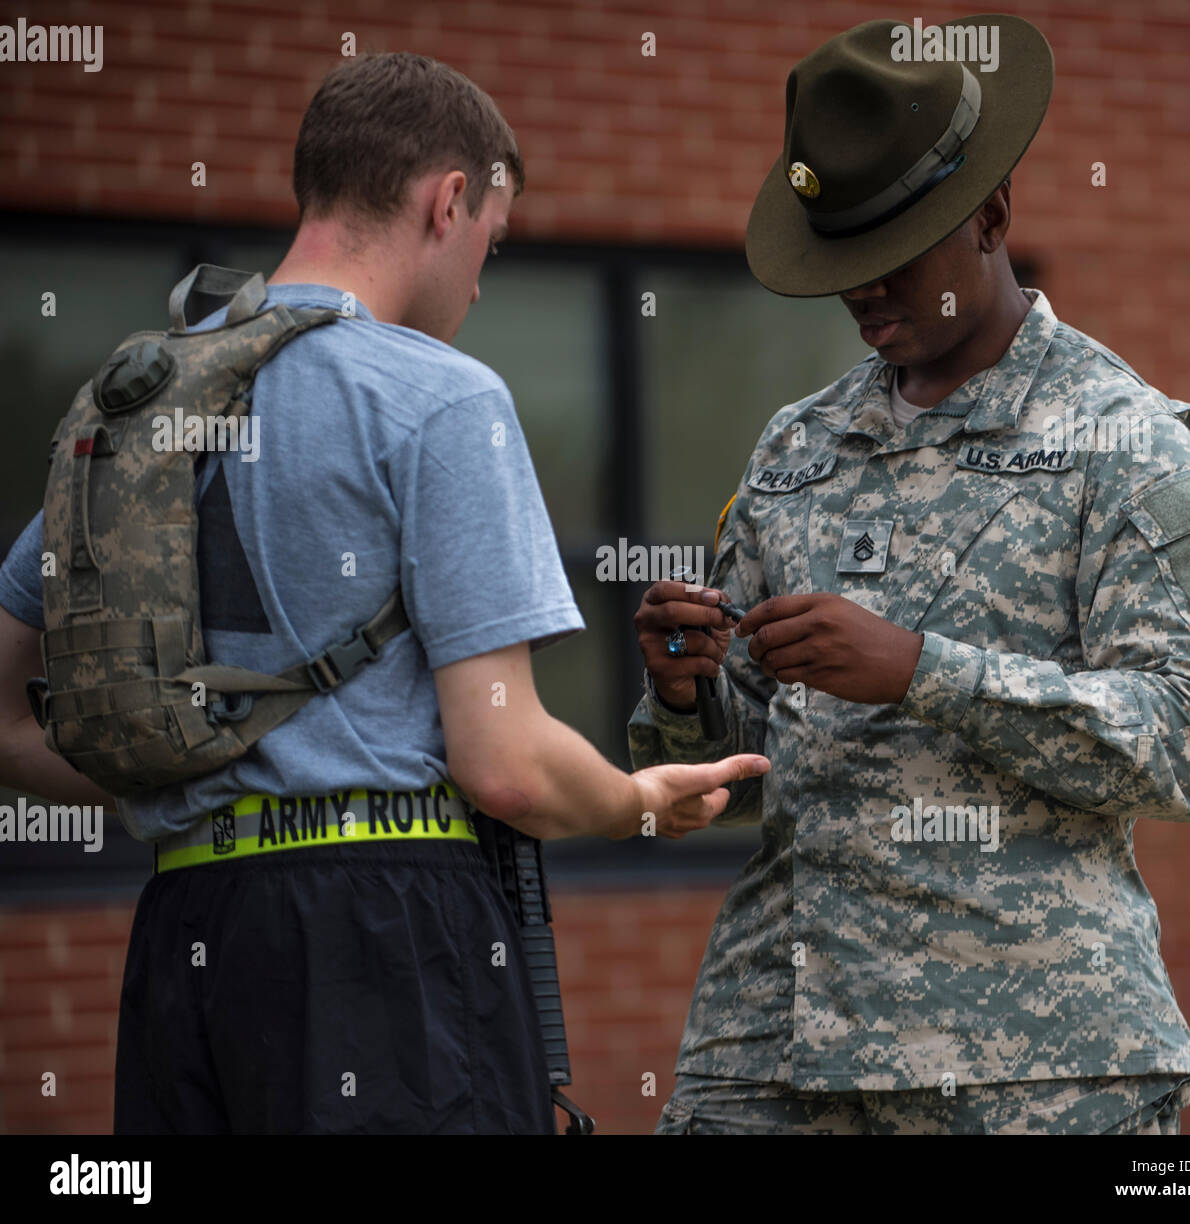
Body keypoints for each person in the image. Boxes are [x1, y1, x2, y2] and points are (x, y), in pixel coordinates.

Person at [0, 51, 767, 1135]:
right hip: (382, 938)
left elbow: (4, 713)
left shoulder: (138, 402)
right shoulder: (441, 397)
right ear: (448, 200)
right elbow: (504, 767)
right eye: (490, 246)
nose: (482, 283)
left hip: (185, 939)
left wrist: (189, 783)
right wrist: (641, 801)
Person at [629, 16, 1190, 1135]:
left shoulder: (1127, 441)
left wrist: (926, 673)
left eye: (891, 256)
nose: (863, 293)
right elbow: (732, 773)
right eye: (840, 265)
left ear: (990, 214)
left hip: (1031, 1071)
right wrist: (689, 690)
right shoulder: (795, 446)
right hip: (768, 1052)